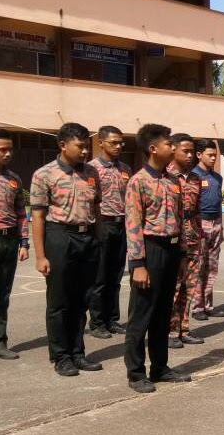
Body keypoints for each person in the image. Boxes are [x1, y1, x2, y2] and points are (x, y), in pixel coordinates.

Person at [123, 124, 192, 393]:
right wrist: (138, 264)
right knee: (141, 314)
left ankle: (160, 367)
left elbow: (181, 220)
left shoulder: (174, 181)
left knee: (163, 313)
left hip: (171, 250)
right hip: (150, 250)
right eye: (168, 144)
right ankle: (136, 373)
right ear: (153, 148)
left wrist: (183, 254)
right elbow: (133, 224)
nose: (173, 148)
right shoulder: (138, 181)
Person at [30, 122, 102, 377]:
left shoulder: (92, 172)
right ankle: (61, 356)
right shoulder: (44, 174)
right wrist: (41, 256)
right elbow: (38, 217)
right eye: (80, 146)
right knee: (59, 301)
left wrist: (98, 242)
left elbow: (97, 208)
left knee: (82, 299)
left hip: (87, 238)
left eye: (86, 146)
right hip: (60, 237)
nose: (85, 151)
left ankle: (78, 353)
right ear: (63, 145)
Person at [85, 126, 131, 339]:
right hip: (102, 224)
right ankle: (97, 322)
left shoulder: (125, 169)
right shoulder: (91, 169)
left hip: (121, 224)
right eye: (114, 142)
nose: (118, 146)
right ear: (101, 142)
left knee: (116, 275)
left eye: (121, 142)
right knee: (100, 277)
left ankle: (112, 319)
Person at [167, 134, 204, 348]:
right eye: (186, 151)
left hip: (193, 237)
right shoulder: (166, 176)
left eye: (192, 152)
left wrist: (200, 235)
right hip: (174, 238)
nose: (190, 155)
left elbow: (196, 209)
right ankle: (169, 331)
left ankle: (184, 328)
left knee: (189, 286)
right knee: (173, 286)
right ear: (173, 150)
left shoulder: (195, 178)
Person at [0, 128, 29, 360]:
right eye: (2, 149)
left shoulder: (14, 179)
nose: (8, 153)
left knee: (3, 295)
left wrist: (24, 242)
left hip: (8, 241)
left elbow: (21, 213)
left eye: (10, 149)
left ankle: (0, 342)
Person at [191, 139, 224, 321]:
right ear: (199, 155)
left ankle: (208, 305)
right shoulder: (192, 176)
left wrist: (220, 226)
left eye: (215, 155)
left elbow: (218, 203)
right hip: (200, 223)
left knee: (212, 267)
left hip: (216, 223)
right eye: (210, 155)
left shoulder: (217, 178)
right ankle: (197, 307)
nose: (213, 158)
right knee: (199, 267)